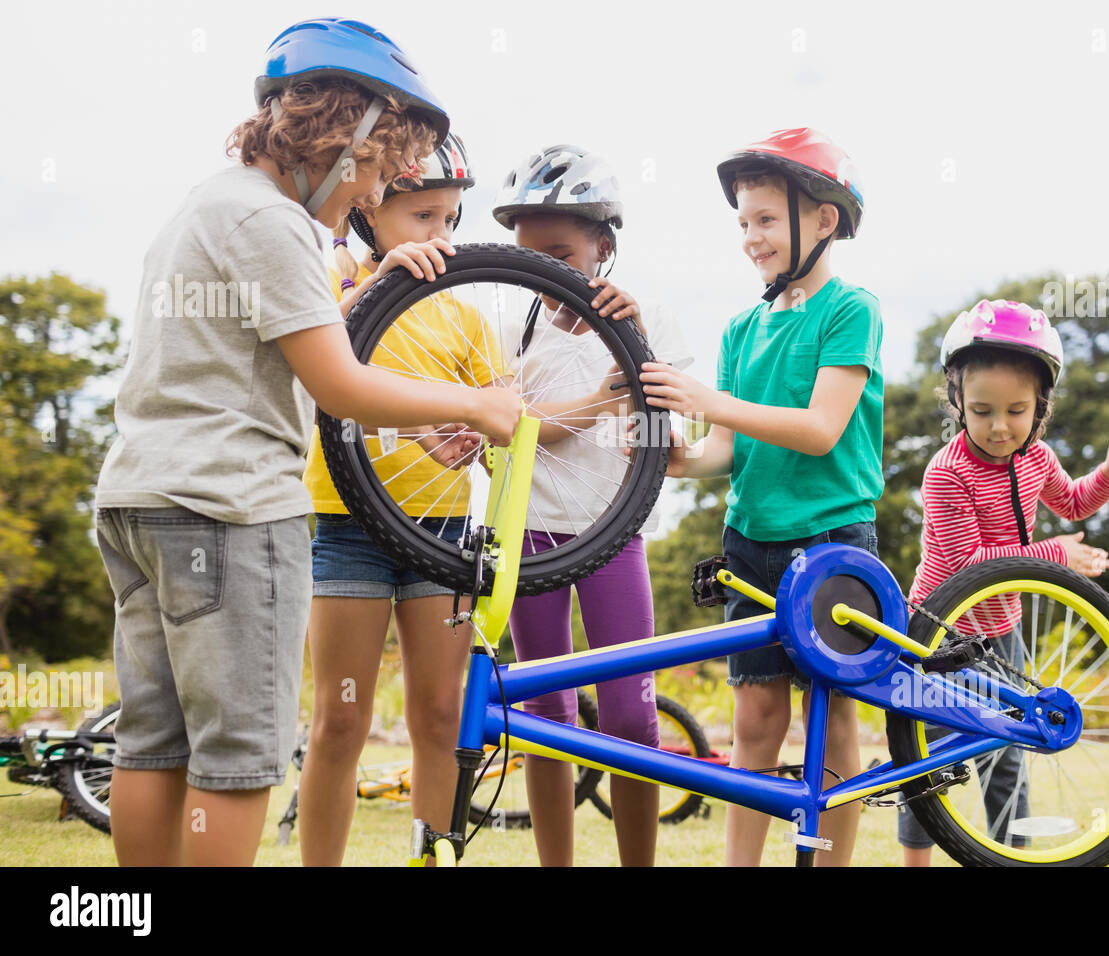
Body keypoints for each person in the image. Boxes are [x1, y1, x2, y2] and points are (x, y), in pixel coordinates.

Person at [92, 18, 520, 867]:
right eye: (372, 171)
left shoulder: (206, 206)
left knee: (154, 744)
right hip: (232, 512)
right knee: (240, 758)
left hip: (141, 502)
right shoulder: (274, 223)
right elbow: (341, 386)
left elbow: (274, 342)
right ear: (340, 133)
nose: (369, 196)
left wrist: (369, 289)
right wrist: (477, 409)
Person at [639, 128, 881, 866]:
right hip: (752, 543)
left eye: (767, 219)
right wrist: (674, 460)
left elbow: (817, 429)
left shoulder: (850, 311)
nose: (751, 237)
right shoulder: (742, 329)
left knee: (835, 719)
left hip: (833, 538)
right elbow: (728, 448)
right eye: (743, 222)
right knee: (755, 720)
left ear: (825, 220)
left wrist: (709, 399)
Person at [898, 297, 1109, 865]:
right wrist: (1056, 556)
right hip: (939, 635)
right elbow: (973, 564)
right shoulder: (946, 474)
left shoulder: (1036, 457)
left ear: (1039, 407)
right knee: (931, 756)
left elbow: (1071, 502)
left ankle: (1009, 857)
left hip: (1004, 632)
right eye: (982, 410)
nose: (999, 427)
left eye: (1017, 411)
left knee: (1010, 751)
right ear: (958, 403)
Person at [296, 132, 501, 866]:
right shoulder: (328, 287)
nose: (440, 236)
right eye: (422, 218)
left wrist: (476, 430)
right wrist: (378, 278)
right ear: (370, 211)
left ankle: (432, 856)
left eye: (449, 219)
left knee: (443, 714)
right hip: (347, 524)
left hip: (442, 529)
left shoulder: (464, 315)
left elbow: (500, 406)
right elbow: (316, 369)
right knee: (341, 720)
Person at [492, 144, 693, 866]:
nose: (545, 271)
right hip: (533, 534)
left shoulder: (651, 320)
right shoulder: (513, 333)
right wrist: (597, 399)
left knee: (631, 716)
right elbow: (513, 430)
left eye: (561, 253)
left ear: (604, 245)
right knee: (546, 715)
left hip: (615, 534)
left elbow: (674, 440)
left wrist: (637, 354)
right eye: (529, 255)